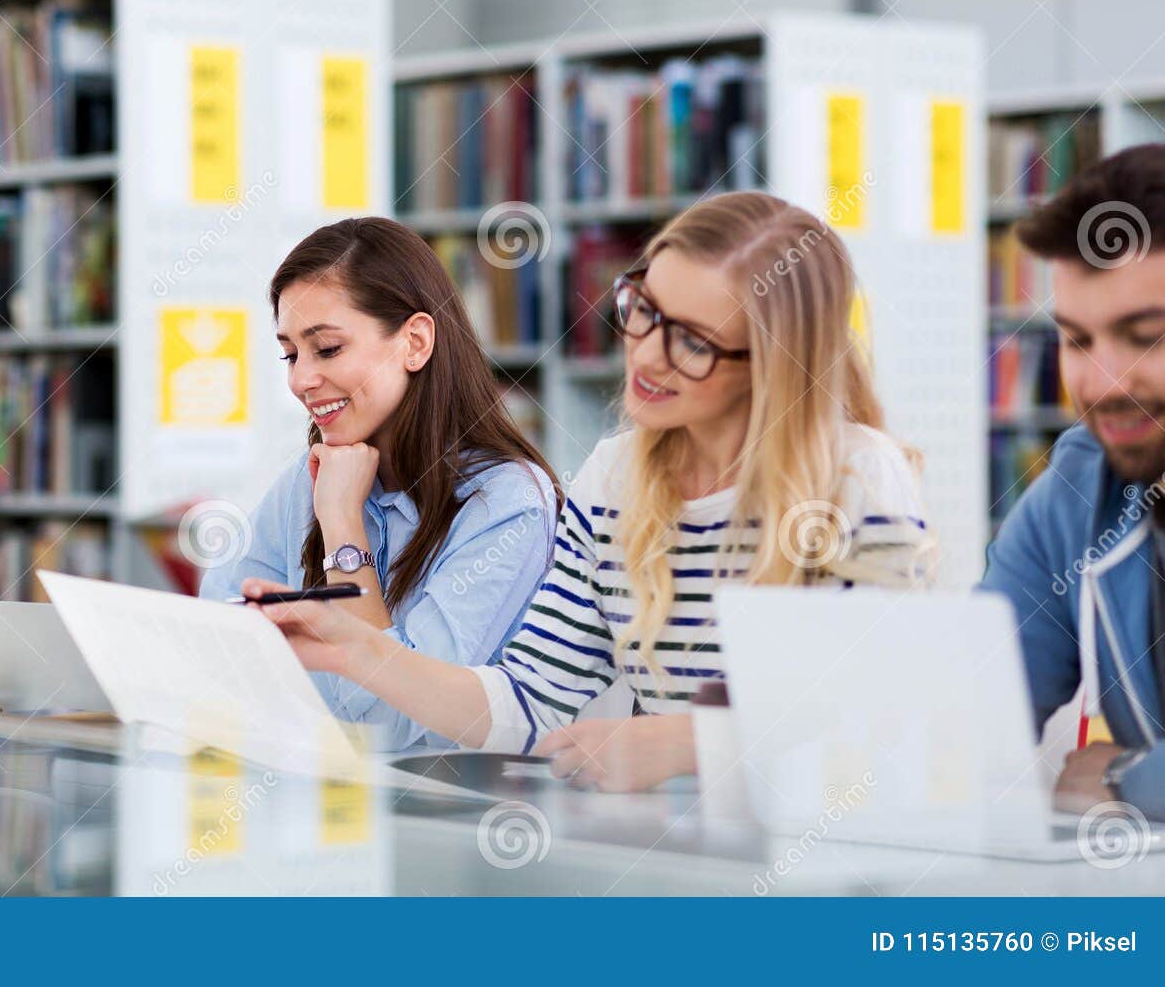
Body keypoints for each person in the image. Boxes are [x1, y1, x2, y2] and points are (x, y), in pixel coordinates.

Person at [254, 192, 935, 791]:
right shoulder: (616, 478)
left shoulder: (858, 477)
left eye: (692, 342)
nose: (645, 353)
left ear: (775, 365)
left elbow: (883, 714)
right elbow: (528, 701)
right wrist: (361, 648)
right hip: (679, 856)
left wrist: (686, 742)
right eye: (643, 310)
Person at [201, 217, 558, 751]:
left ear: (414, 341)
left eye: (327, 349)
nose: (300, 380)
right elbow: (218, 644)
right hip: (320, 798)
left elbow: (391, 722)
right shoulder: (311, 476)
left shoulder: (508, 502)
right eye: (290, 354)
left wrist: (344, 525)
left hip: (450, 812)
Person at [981, 144, 1165, 820]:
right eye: (1078, 341)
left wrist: (1125, 779)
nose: (1104, 383)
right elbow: (972, 710)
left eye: (1145, 335)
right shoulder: (1082, 484)